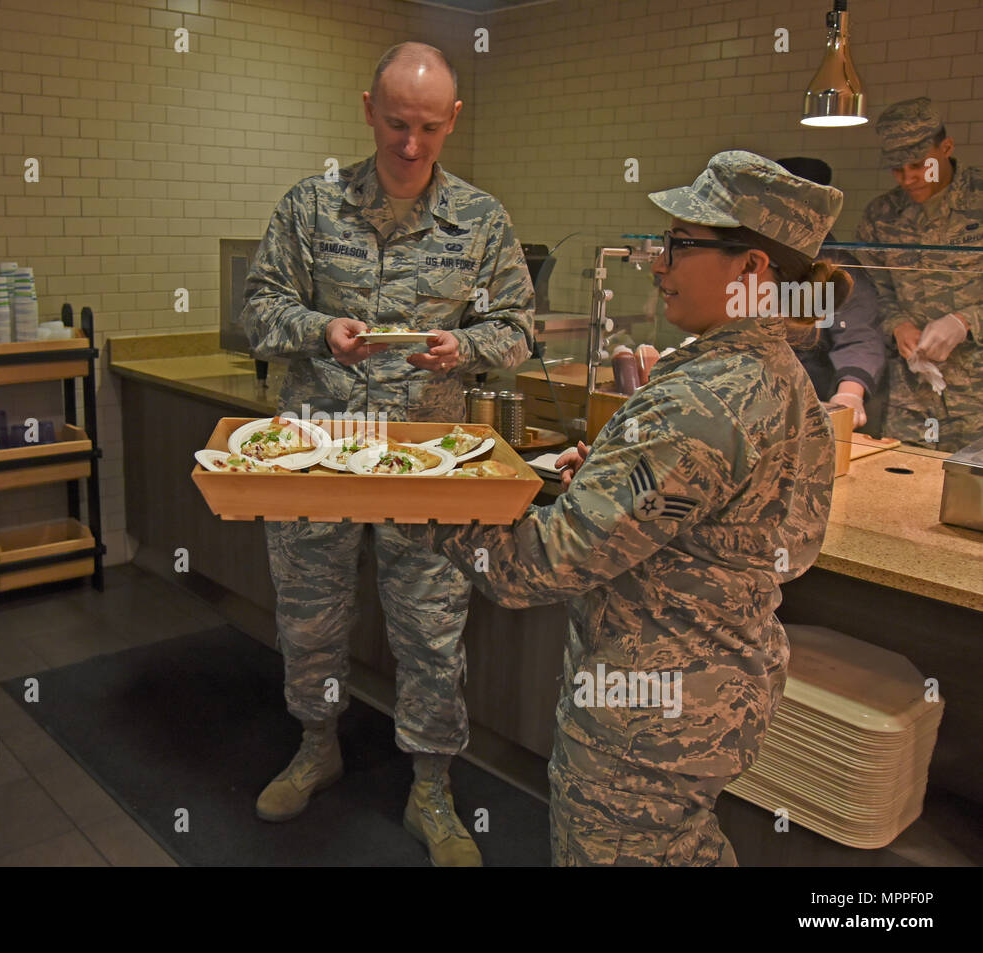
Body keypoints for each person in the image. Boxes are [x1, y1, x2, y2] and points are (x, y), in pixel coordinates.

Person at [404, 151, 849, 865]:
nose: (657, 263)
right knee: (683, 849)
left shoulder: (701, 400)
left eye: (679, 244)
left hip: (644, 723)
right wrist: (621, 488)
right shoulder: (780, 375)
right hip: (722, 695)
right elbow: (787, 541)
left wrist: (417, 502)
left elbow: (535, 569)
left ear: (752, 272)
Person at [242, 42, 534, 866]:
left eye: (430, 128)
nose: (411, 145)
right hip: (319, 457)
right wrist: (318, 331)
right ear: (367, 108)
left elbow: (516, 328)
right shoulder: (310, 206)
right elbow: (260, 309)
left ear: (454, 120)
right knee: (309, 621)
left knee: (432, 632)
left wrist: (465, 346)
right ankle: (316, 746)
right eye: (398, 123)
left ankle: (433, 788)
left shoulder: (480, 220)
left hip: (424, 464)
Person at [855, 98, 983, 452]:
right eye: (897, 169)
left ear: (947, 148)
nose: (908, 178)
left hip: (977, 404)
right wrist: (896, 323)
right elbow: (870, 293)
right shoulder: (882, 216)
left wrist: (966, 321)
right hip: (911, 402)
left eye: (917, 164)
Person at [775, 157, 885, 431]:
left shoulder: (838, 265)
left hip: (814, 407)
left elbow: (859, 338)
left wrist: (849, 395)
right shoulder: (753, 258)